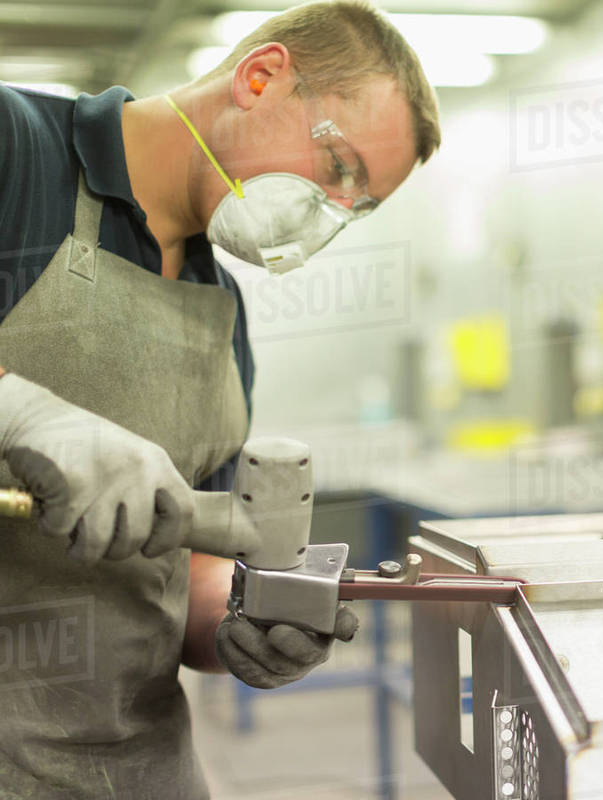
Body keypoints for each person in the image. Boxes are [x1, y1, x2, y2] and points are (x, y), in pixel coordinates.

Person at [0, 0, 440, 795]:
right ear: (261, 77)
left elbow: (191, 571)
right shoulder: (16, 149)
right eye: (340, 171)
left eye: (359, 205)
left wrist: (242, 624)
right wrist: (25, 414)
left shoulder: (222, 317)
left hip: (141, 771)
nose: (332, 213)